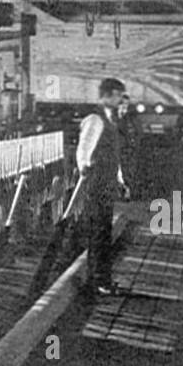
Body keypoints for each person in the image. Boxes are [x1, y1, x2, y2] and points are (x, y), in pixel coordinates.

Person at [75, 78, 127, 294]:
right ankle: (98, 281)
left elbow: (113, 156)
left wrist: (120, 180)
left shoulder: (109, 120)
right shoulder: (95, 120)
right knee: (98, 232)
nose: (120, 100)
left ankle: (102, 279)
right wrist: (87, 171)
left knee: (103, 231)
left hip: (105, 184)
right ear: (106, 95)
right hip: (97, 184)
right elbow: (83, 151)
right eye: (117, 95)